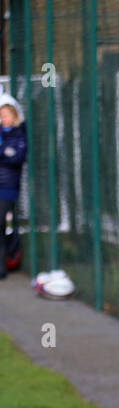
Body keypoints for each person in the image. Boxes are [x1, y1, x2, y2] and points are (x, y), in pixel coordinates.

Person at [0, 94, 27, 279]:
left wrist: (3, 151)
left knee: (2, 224)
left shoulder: (19, 135)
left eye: (6, 115)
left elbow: (16, 157)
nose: (3, 119)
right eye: (1, 115)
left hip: (8, 188)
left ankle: (5, 262)